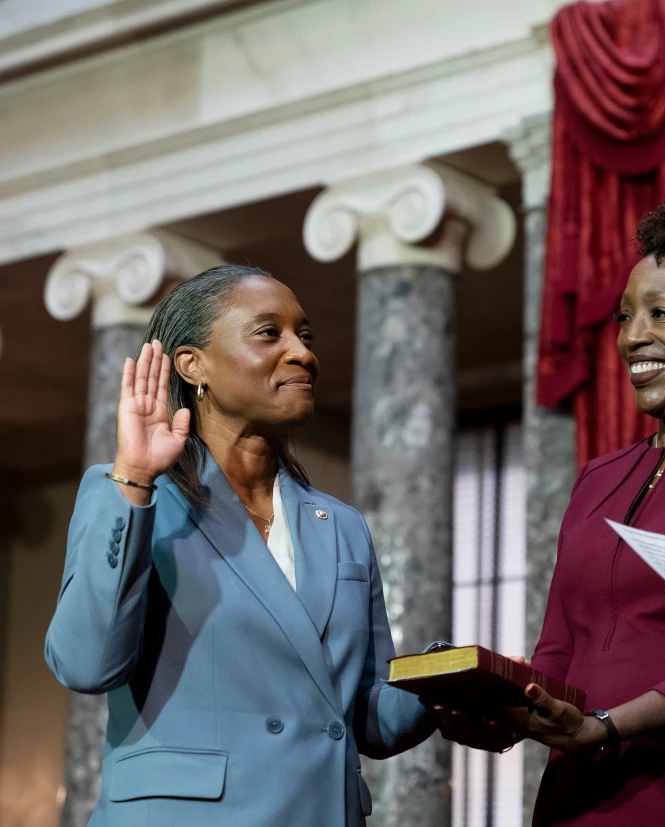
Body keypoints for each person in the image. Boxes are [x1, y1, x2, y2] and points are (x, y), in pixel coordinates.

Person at [440, 200, 665, 825]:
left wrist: (606, 727)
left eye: (662, 313)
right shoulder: (597, 476)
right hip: (581, 789)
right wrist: (515, 710)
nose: (634, 336)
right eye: (626, 316)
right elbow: (557, 650)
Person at [44, 265, 436, 826]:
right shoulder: (133, 495)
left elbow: (365, 716)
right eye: (269, 333)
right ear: (192, 365)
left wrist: (448, 685)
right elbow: (85, 664)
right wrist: (134, 476)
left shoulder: (342, 524)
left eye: (304, 335)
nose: (302, 352)